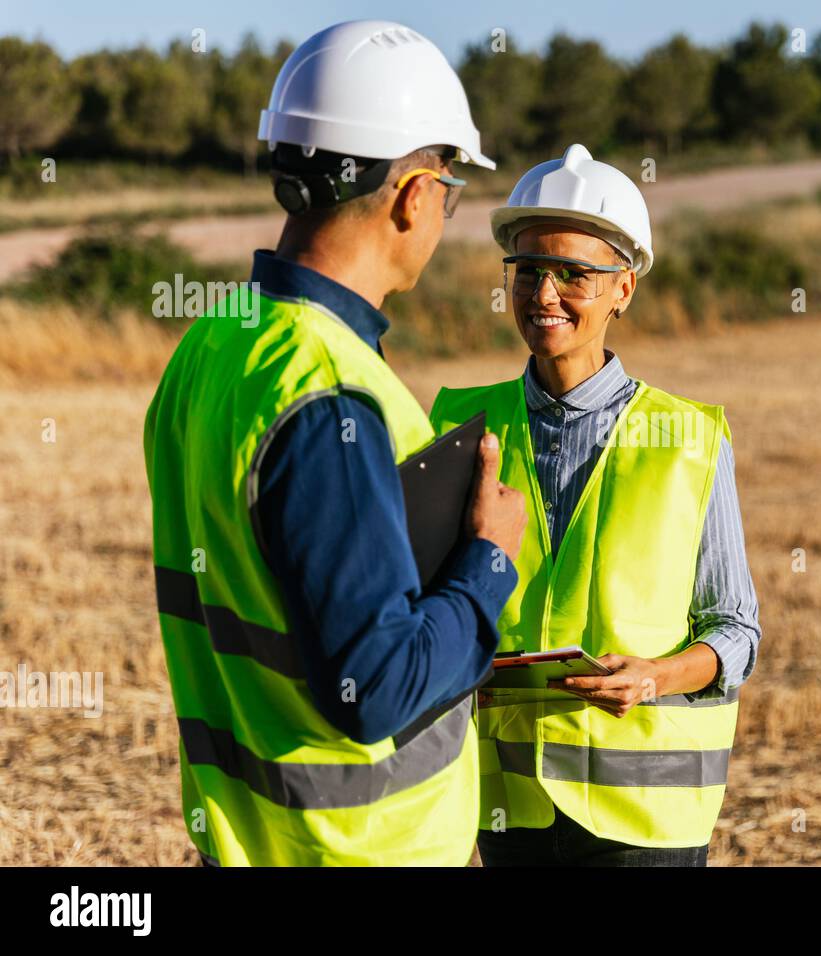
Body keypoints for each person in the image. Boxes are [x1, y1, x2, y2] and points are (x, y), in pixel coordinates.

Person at [142, 20, 526, 866]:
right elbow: (374, 687)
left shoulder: (214, 346)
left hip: (246, 838)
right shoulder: (327, 391)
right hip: (353, 851)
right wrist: (489, 563)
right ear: (414, 194)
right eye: (450, 190)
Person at [431, 144, 762, 866]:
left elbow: (735, 631)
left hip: (643, 823)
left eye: (573, 274)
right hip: (505, 808)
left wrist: (656, 677)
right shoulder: (461, 426)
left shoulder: (692, 440)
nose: (544, 294)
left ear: (624, 288)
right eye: (527, 271)